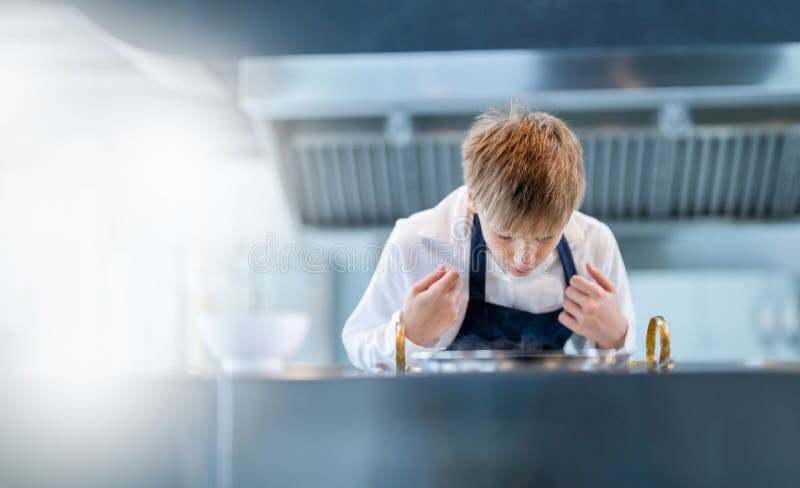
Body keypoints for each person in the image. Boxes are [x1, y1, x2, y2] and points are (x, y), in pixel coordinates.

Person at [342, 104, 636, 371]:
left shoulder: (594, 243)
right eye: (507, 236)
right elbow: (357, 343)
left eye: (546, 236)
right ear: (473, 199)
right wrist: (410, 334)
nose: (526, 257)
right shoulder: (416, 242)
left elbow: (617, 370)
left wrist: (615, 337)